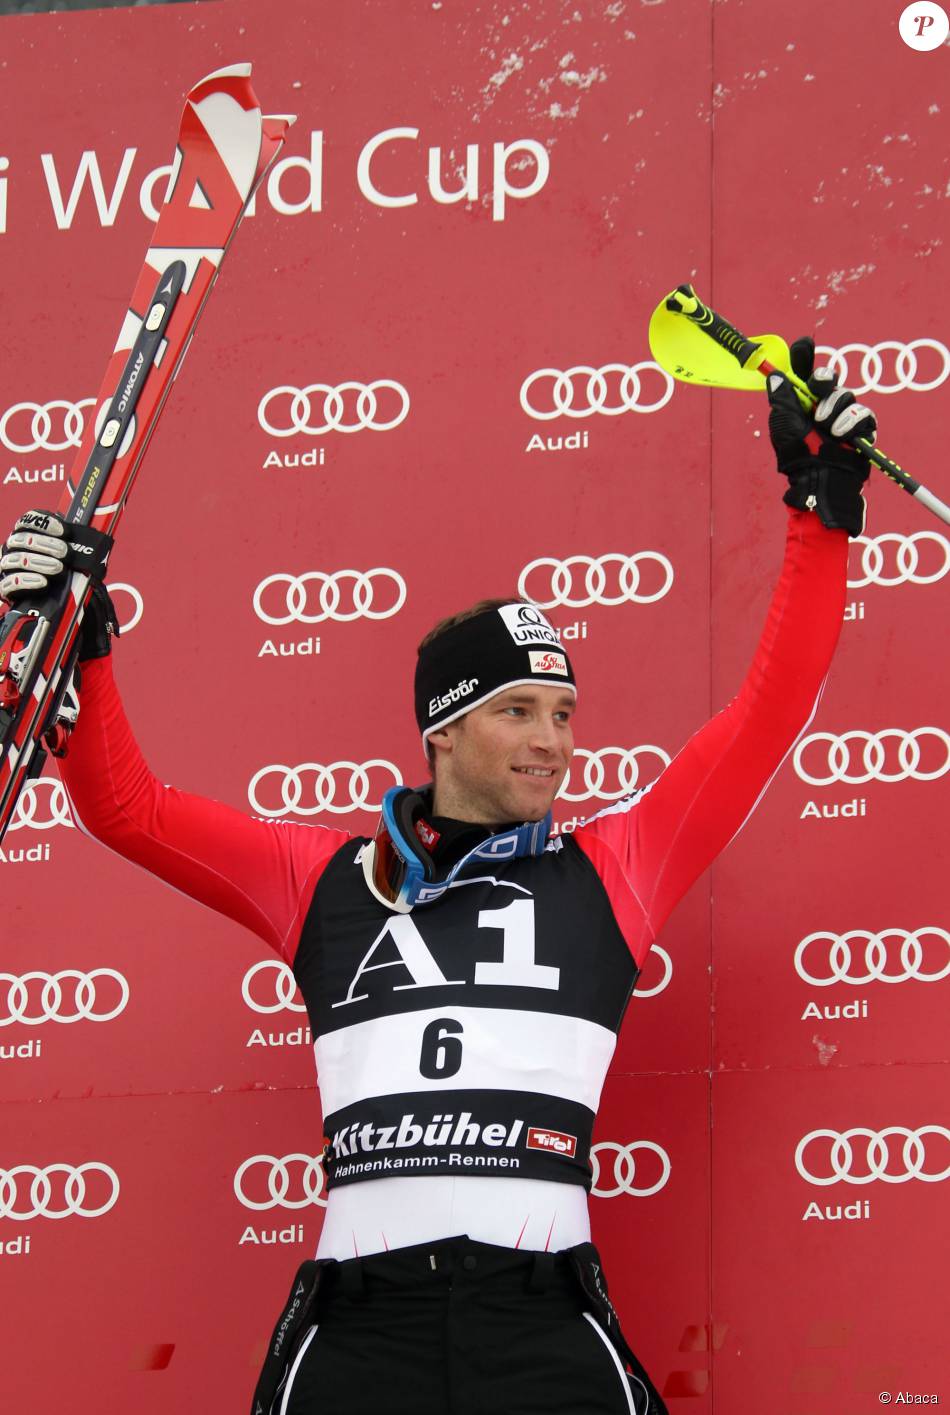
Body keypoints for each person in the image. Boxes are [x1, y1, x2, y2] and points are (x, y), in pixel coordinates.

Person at [0, 346, 876, 1415]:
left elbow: (765, 715)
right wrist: (82, 650)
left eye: (562, 714)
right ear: (443, 727)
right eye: (518, 711)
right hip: (358, 1331)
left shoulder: (611, 867)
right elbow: (126, 809)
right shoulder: (319, 879)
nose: (552, 742)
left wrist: (816, 514)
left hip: (541, 1322)